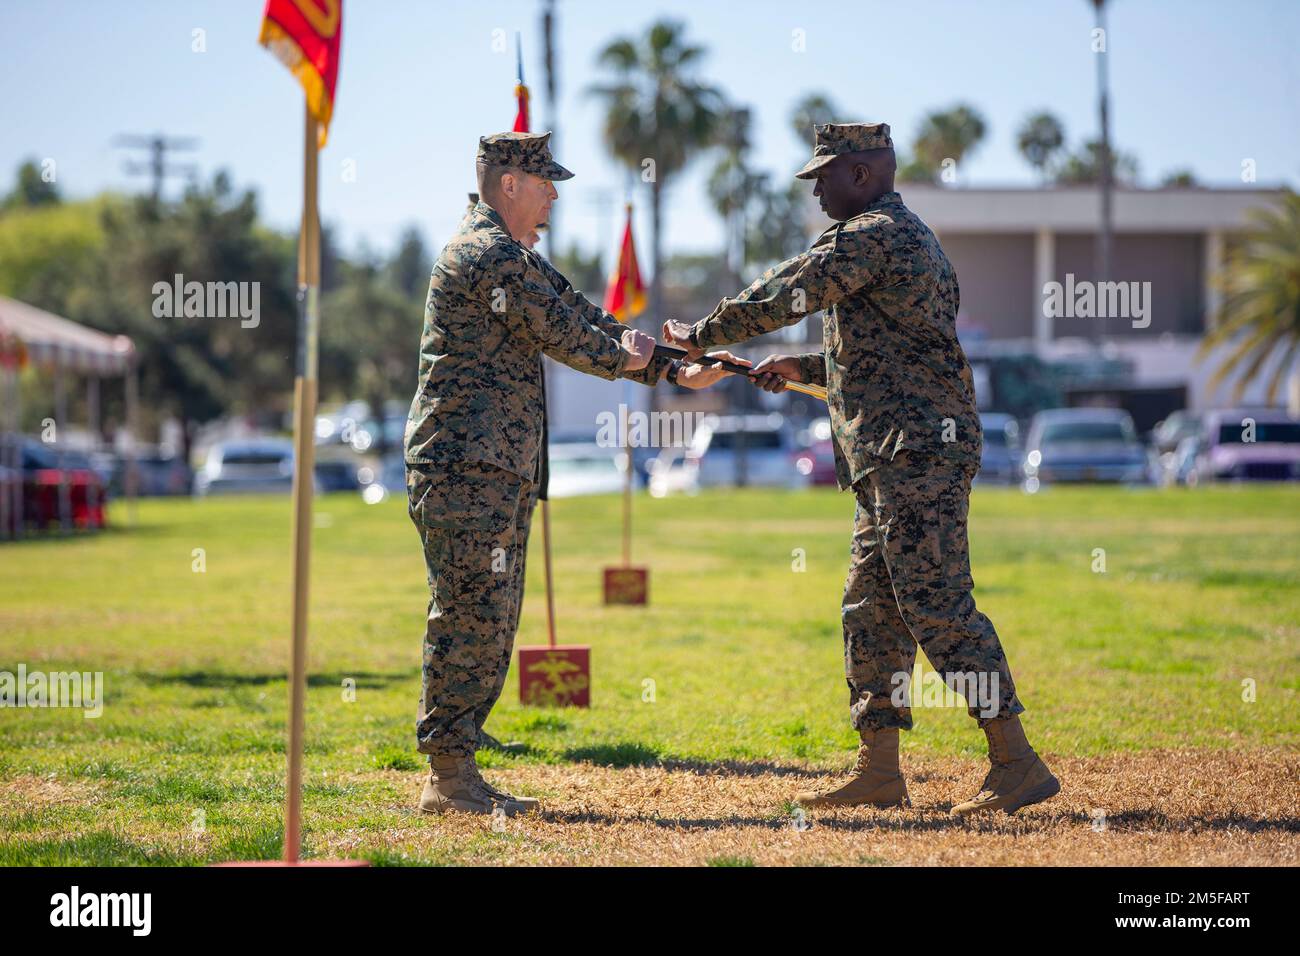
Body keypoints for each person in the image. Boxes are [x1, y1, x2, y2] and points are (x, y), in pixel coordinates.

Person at [664, 122, 1059, 817]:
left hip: (917, 453)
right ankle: (879, 771)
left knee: (936, 601)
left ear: (864, 174)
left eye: (824, 176)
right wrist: (806, 369)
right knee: (871, 610)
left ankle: (1015, 761)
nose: (815, 189)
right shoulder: (896, 239)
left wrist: (702, 334)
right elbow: (889, 355)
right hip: (888, 453)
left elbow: (790, 291)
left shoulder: (874, 234)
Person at [406, 131, 741, 816]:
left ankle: (458, 761)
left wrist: (675, 367)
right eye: (543, 182)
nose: (554, 195)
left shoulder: (513, 255)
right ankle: (446, 775)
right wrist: (647, 366)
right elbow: (565, 333)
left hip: (492, 468)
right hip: (465, 467)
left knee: (492, 616)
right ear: (509, 185)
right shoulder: (486, 255)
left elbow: (582, 313)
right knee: (470, 614)